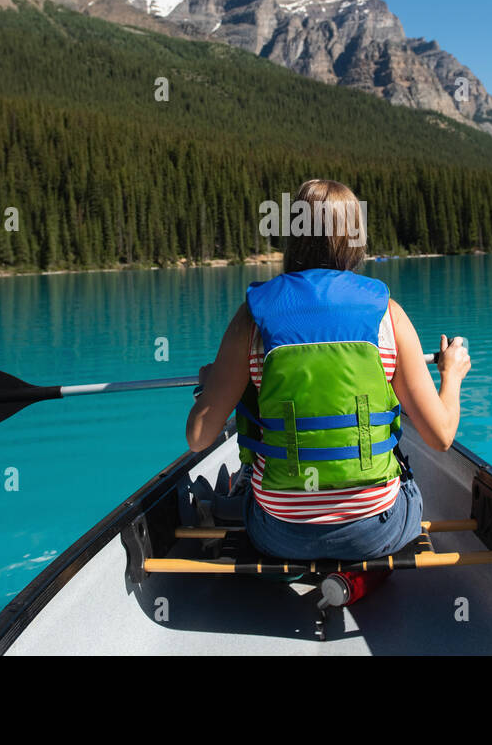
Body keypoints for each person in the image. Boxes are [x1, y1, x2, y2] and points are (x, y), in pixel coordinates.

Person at [185, 179, 471, 561]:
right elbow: (440, 437)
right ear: (355, 238)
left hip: (279, 532)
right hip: (375, 529)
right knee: (408, 484)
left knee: (251, 472)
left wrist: (211, 389)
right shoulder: (388, 314)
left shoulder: (252, 317)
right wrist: (450, 375)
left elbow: (199, 437)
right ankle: (351, 576)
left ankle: (233, 501)